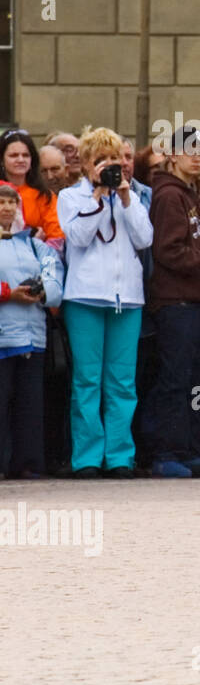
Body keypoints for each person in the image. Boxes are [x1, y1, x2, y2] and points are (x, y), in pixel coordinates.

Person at [55, 127, 153, 478]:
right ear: (85, 165)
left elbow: (145, 238)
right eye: (100, 161)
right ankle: (87, 458)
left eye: (114, 159)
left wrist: (125, 199)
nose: (110, 166)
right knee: (87, 381)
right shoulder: (71, 197)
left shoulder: (132, 197)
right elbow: (78, 237)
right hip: (84, 298)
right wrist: (98, 195)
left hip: (127, 300)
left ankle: (120, 455)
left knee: (122, 382)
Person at [140, 126, 200, 478]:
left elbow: (198, 242)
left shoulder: (190, 194)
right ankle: (165, 451)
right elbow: (168, 250)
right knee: (174, 380)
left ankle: (190, 448)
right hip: (175, 303)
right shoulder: (168, 196)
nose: (197, 156)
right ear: (172, 154)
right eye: (189, 150)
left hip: (196, 302)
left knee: (196, 381)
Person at [0, 184, 64, 479]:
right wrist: (7, 293)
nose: (7, 207)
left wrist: (42, 293)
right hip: (3, 335)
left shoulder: (35, 244)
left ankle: (27, 463)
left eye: (12, 201)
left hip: (32, 336)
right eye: (1, 202)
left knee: (30, 405)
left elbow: (54, 276)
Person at [2, 129, 64, 252]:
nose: (20, 160)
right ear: (1, 160)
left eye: (26, 155)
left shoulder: (45, 196)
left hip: (38, 262)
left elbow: (57, 237)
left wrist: (36, 247)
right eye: (13, 155)